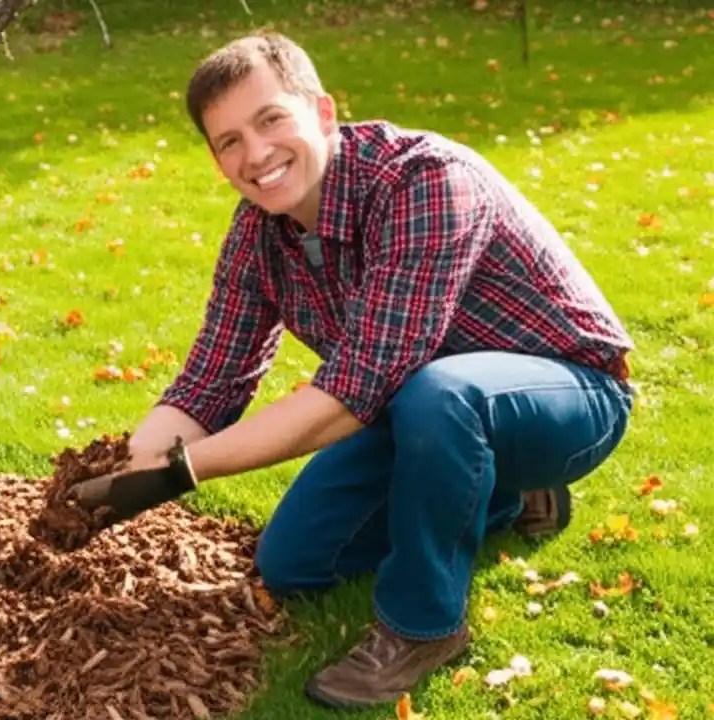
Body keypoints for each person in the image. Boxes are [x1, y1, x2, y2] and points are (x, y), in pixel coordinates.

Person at [64, 32, 634, 709]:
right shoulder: (258, 235)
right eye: (229, 142)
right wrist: (128, 466)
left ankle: (422, 624)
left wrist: (184, 471)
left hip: (569, 396)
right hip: (420, 412)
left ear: (324, 113)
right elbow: (212, 378)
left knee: (441, 395)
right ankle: (504, 494)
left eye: (271, 119)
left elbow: (355, 391)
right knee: (296, 562)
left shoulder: (422, 181)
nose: (257, 154)